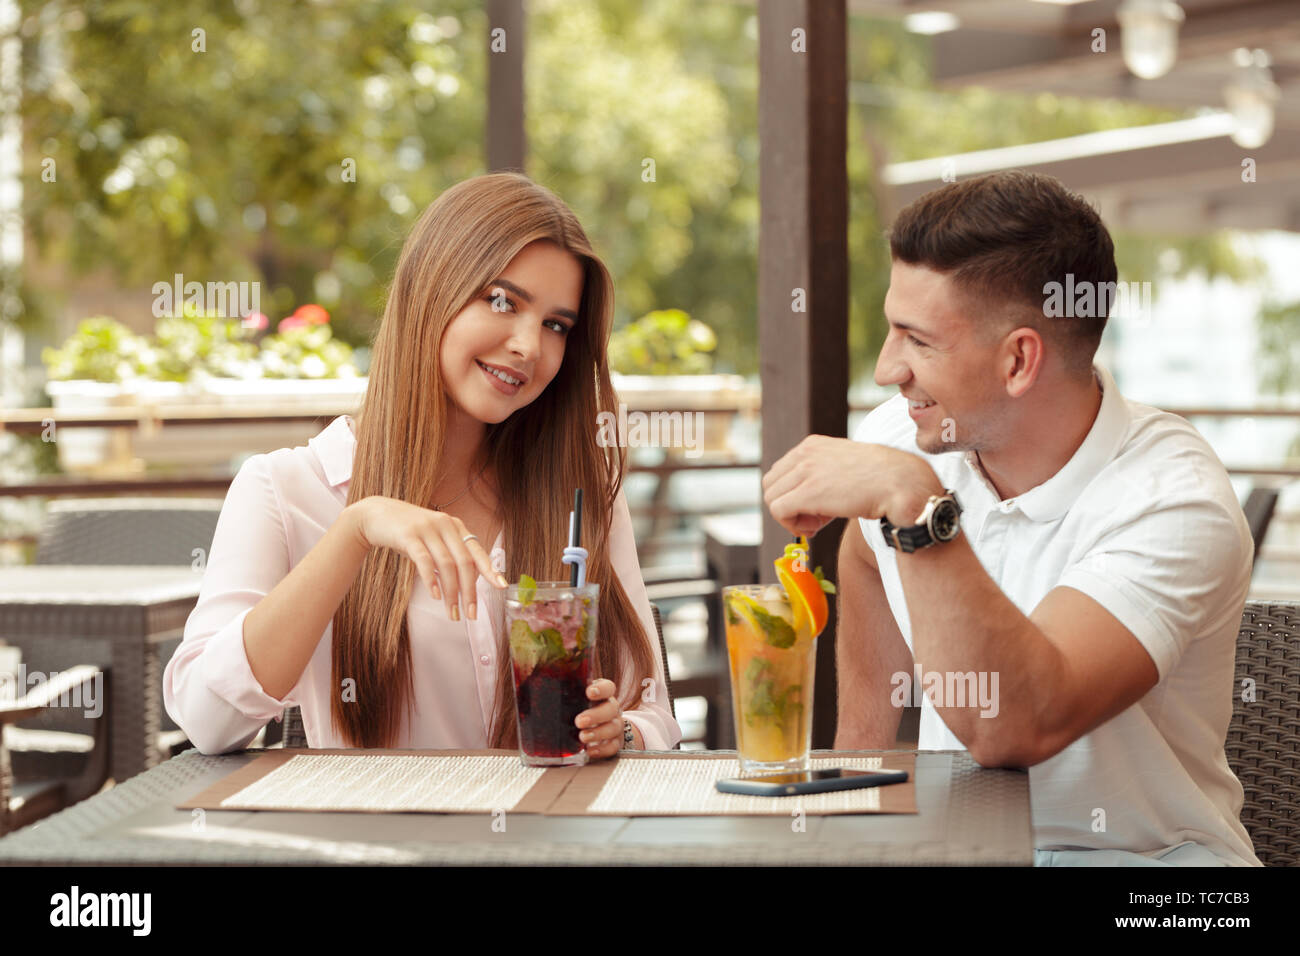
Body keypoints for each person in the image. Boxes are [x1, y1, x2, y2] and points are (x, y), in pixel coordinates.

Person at [762, 170, 1260, 866]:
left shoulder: (1174, 500)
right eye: (889, 329)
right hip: (966, 849)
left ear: (1019, 359)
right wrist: (852, 789)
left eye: (917, 340)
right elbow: (866, 557)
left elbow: (1014, 724)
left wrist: (917, 505)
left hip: (1153, 870)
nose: (885, 369)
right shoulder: (906, 437)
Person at [164, 173, 681, 756]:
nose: (529, 346)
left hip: (549, 841)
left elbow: (653, 711)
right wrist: (356, 529)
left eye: (556, 325)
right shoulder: (286, 490)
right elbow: (207, 721)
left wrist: (623, 731)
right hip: (379, 844)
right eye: (502, 300)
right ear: (431, 292)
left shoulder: (582, 498)